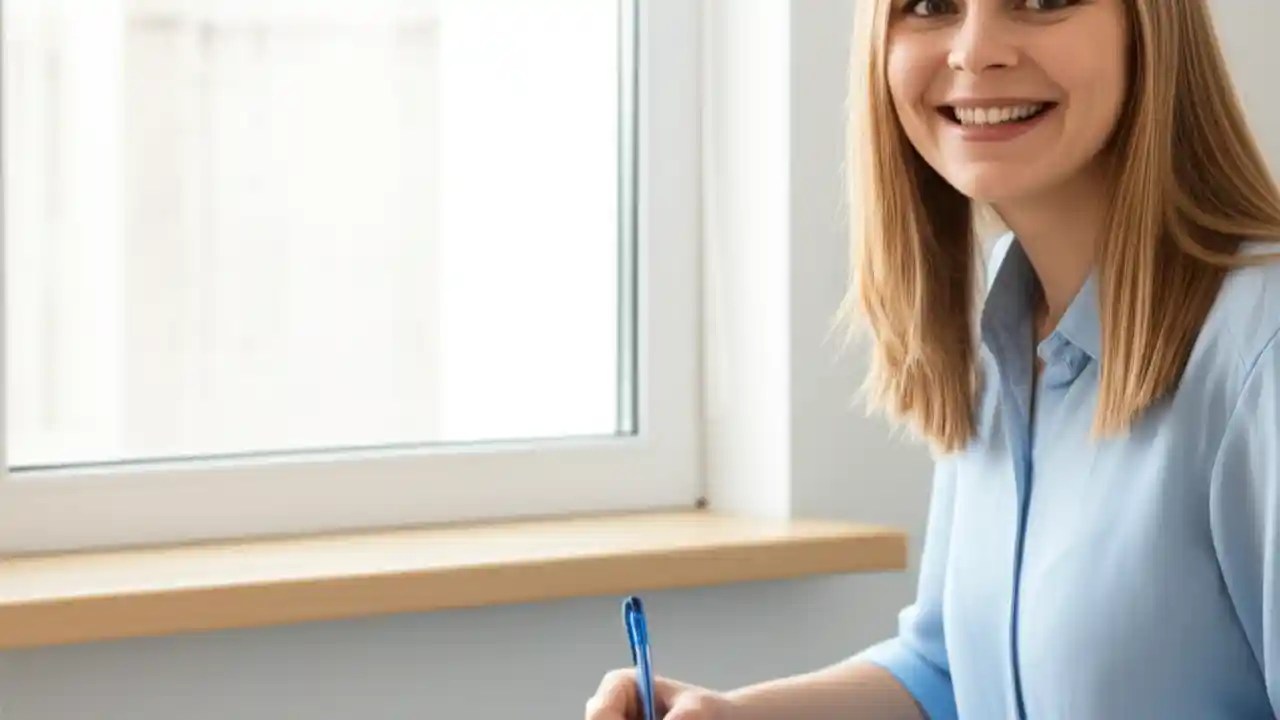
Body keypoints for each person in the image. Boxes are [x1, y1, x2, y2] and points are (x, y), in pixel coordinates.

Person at [586, 0, 1280, 718]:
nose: (975, 51)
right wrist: (731, 714)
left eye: (1041, 1)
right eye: (931, 6)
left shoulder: (1263, 351)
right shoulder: (1007, 321)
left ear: (1151, 27)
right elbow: (951, 671)